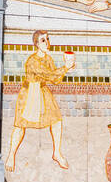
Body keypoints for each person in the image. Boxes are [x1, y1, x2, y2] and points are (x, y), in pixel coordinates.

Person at [5, 30, 76, 171]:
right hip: (30, 92)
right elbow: (48, 74)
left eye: (48, 39)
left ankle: (57, 153)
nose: (47, 43)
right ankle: (11, 155)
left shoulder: (48, 58)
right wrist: (65, 68)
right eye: (43, 40)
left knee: (56, 121)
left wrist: (66, 69)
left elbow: (55, 79)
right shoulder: (32, 61)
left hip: (43, 92)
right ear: (36, 44)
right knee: (20, 126)